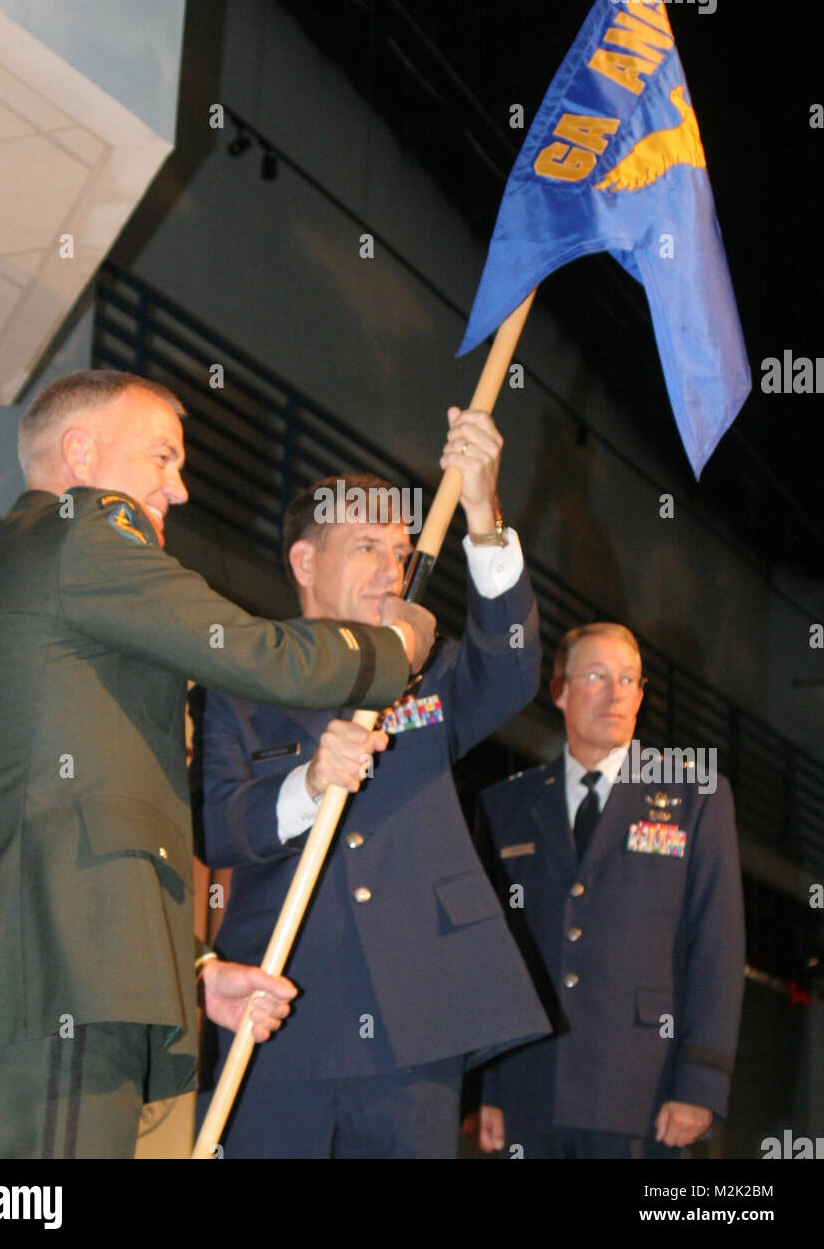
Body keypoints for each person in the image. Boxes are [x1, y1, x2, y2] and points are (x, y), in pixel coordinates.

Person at [0, 369, 434, 1158]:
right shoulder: (79, 529)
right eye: (161, 456)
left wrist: (193, 971)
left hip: (37, 985)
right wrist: (392, 647)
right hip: (56, 987)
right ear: (80, 452)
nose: (179, 488)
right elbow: (256, 653)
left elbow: (81, 801)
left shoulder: (39, 561)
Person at [195, 407, 551, 1159]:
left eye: (399, 550)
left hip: (415, 1016)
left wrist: (483, 516)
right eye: (365, 547)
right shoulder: (240, 679)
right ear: (302, 562)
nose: (391, 570)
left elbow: (512, 667)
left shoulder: (430, 670)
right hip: (276, 1011)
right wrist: (306, 787)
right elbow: (214, 824)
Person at [468, 622, 745, 1159]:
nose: (616, 693)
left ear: (641, 695)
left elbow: (718, 948)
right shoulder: (507, 807)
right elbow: (488, 958)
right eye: (597, 676)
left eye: (629, 679)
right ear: (561, 691)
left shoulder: (696, 797)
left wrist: (700, 1084)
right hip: (529, 1091)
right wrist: (485, 1087)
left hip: (643, 1093)